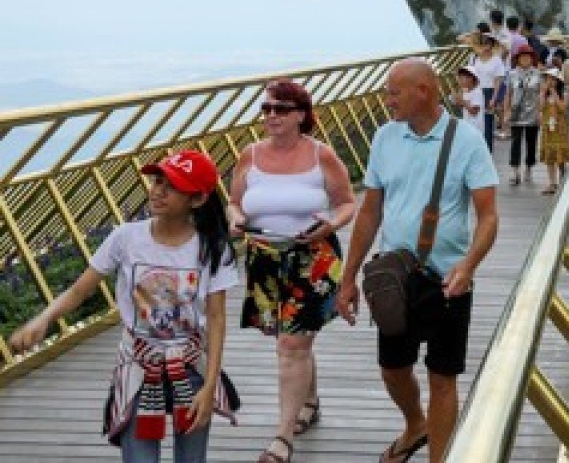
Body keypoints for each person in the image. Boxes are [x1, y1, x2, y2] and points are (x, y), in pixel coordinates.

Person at [8, 150, 240, 462]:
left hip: (191, 364)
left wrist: (210, 386)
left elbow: (216, 318)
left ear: (197, 200)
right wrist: (44, 319)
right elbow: (80, 290)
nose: (157, 191)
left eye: (170, 186)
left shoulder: (212, 248)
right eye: (157, 181)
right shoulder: (126, 238)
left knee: (192, 458)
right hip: (139, 365)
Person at [336, 58, 498, 463]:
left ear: (422, 91)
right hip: (396, 277)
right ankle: (415, 423)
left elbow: (489, 216)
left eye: (393, 92)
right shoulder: (384, 139)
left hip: (448, 280)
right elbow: (370, 211)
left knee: (443, 378)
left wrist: (469, 265)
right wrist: (348, 276)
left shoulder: (466, 141)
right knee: (393, 369)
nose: (386, 100)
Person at [226, 79, 357, 463]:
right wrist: (235, 220)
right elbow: (234, 203)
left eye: (280, 109)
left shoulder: (322, 156)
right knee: (291, 339)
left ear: (301, 114)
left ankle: (282, 439)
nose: (271, 116)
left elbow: (348, 203)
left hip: (311, 257)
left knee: (291, 345)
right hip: (264, 258)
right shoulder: (248, 155)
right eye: (266, 109)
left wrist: (331, 225)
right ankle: (310, 401)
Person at [504, 44, 543, 185]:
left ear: (532, 58)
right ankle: (515, 172)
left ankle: (529, 168)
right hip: (516, 112)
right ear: (518, 59)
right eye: (523, 57)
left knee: (531, 141)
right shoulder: (512, 74)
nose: (526, 59)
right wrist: (506, 112)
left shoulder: (538, 74)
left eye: (528, 56)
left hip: (533, 111)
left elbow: (541, 93)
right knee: (515, 142)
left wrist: (540, 111)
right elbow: (508, 94)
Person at [468, 33, 507, 152]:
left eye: (487, 43)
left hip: (489, 91)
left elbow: (498, 80)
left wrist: (494, 98)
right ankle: (475, 149)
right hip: (476, 90)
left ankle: (488, 150)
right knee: (474, 120)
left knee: (488, 122)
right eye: (483, 43)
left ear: (491, 45)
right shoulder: (474, 58)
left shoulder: (496, 60)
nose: (485, 46)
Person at [539, 67, 569, 194]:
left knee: (560, 155)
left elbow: (563, 108)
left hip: (560, 128)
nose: (550, 81)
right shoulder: (544, 93)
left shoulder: (564, 93)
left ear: (558, 81)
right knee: (549, 156)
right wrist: (543, 94)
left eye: (553, 79)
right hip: (548, 128)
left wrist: (555, 94)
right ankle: (552, 183)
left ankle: (563, 178)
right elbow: (541, 108)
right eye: (548, 79)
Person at [453, 65, 485, 134]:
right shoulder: (465, 91)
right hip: (468, 126)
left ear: (470, 79)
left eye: (461, 78)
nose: (459, 81)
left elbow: (474, 112)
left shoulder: (477, 92)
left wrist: (462, 101)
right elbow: (461, 107)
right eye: (459, 78)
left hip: (476, 128)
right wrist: (457, 101)